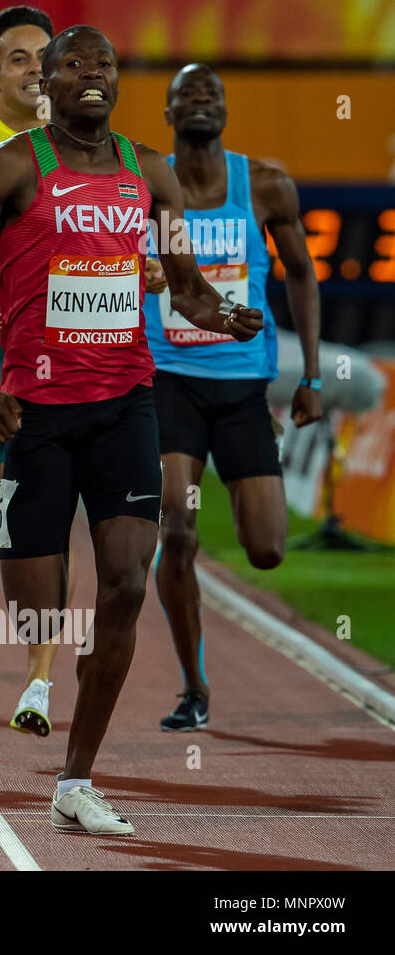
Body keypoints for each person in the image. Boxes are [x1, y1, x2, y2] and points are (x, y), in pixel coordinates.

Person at [0, 25, 264, 835]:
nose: (92, 74)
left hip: (125, 404)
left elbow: (184, 289)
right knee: (38, 617)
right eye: (73, 63)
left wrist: (225, 315)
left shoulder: (149, 173)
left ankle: (76, 776)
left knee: (124, 582)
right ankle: (61, 624)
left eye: (105, 64)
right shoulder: (9, 166)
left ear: (118, 81)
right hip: (35, 413)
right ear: (46, 80)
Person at [147, 62, 322, 732]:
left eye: (211, 93)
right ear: (166, 115)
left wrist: (308, 376)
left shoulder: (266, 185)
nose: (199, 100)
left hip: (243, 386)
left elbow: (303, 276)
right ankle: (194, 685)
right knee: (177, 526)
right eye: (185, 93)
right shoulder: (146, 187)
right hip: (170, 383)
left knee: (268, 547)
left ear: (225, 112)